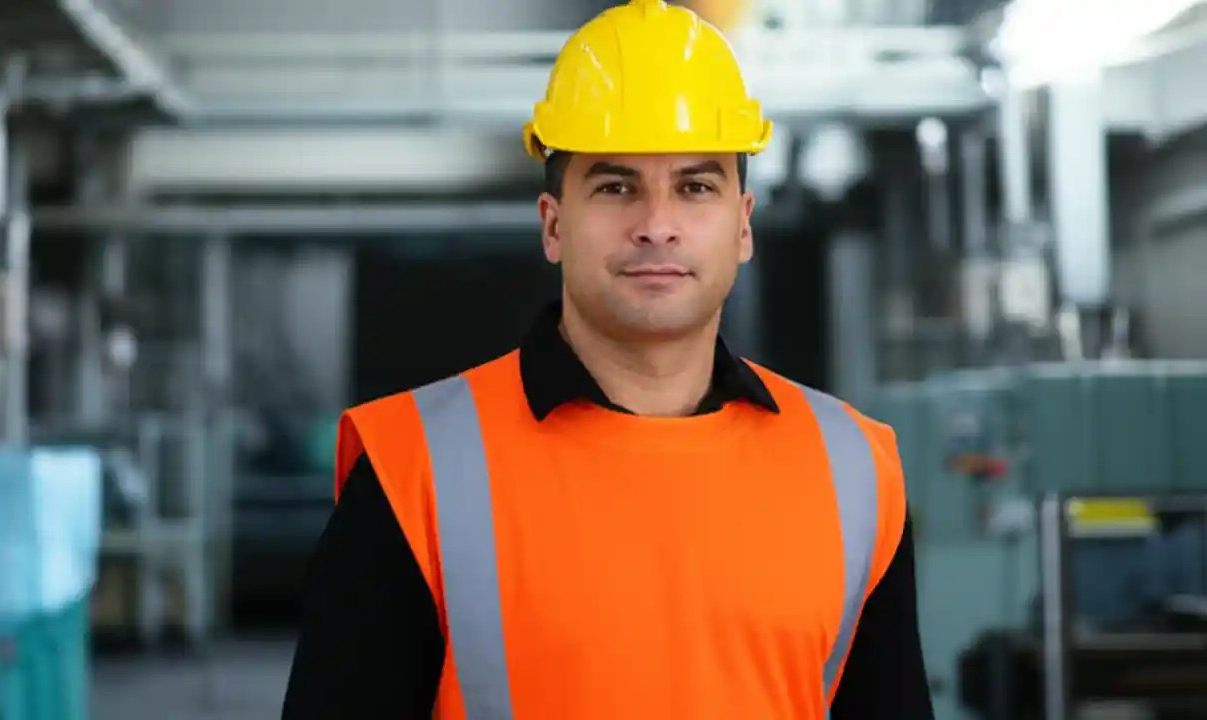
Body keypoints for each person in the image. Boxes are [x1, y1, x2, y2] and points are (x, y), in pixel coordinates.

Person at [281, 0, 933, 717]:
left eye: (695, 186)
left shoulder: (853, 471)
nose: (657, 225)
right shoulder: (415, 470)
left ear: (742, 224)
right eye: (616, 186)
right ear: (554, 224)